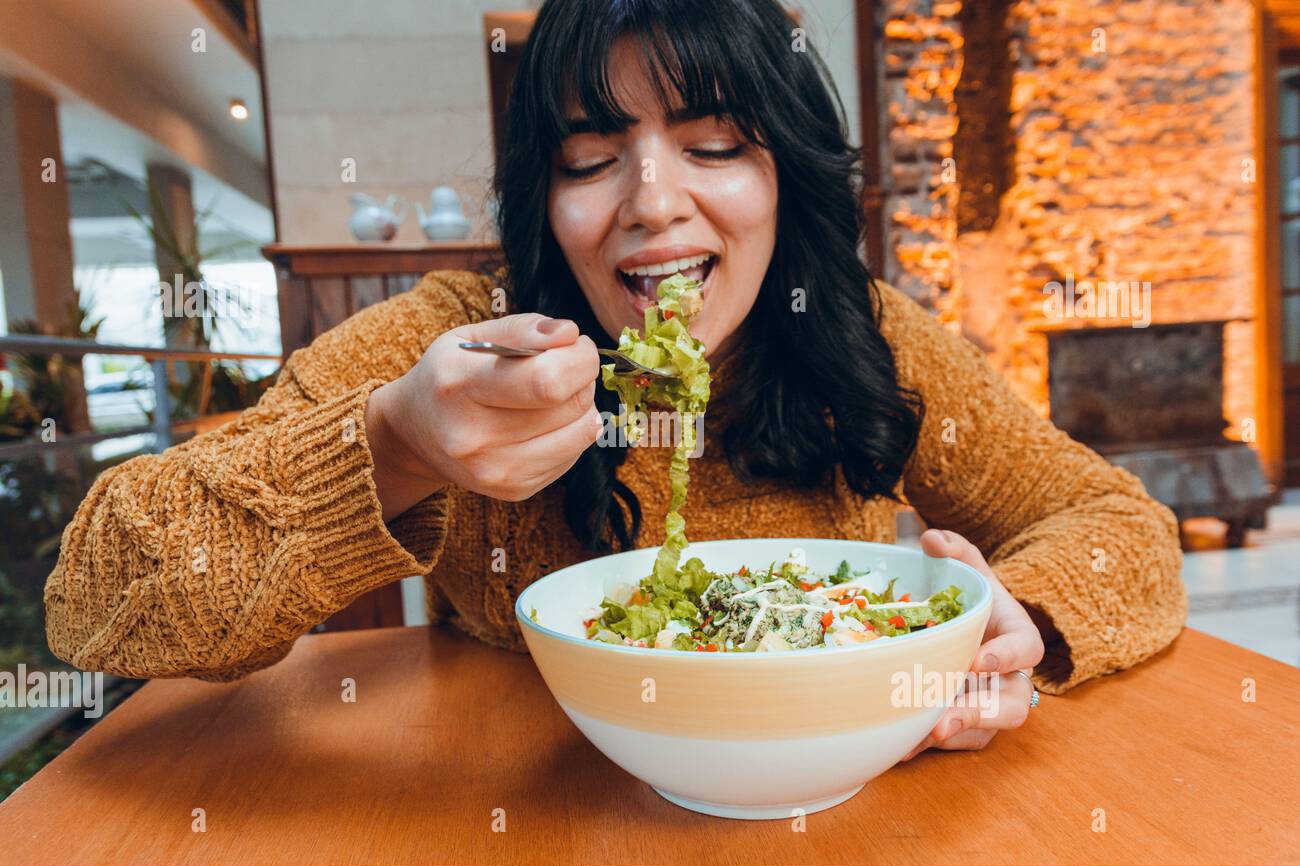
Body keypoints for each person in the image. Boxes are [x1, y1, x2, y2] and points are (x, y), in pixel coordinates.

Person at [45, 0, 1186, 757]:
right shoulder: (464, 335)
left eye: (713, 144)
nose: (648, 201)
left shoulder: (860, 336)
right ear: (543, 195)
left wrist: (1012, 622)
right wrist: (392, 442)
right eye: (590, 157)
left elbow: (1114, 522)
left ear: (786, 172)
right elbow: (96, 596)